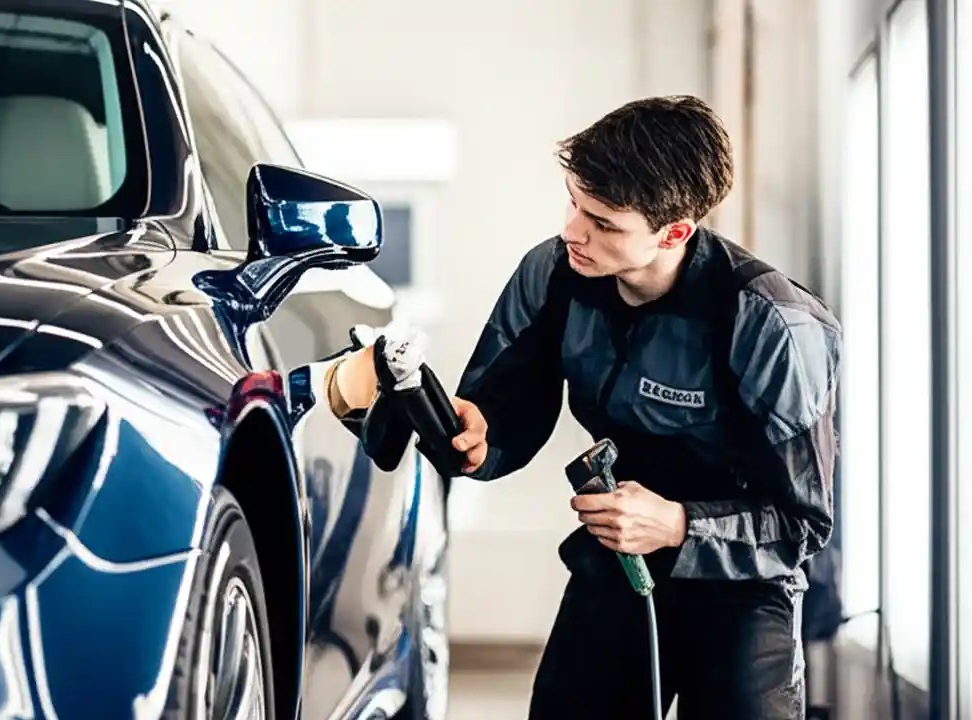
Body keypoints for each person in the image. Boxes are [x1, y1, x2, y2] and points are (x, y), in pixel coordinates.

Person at [327, 95, 841, 719]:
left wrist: (677, 524)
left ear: (674, 231)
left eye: (603, 221)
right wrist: (481, 436)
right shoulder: (554, 273)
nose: (574, 230)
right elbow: (503, 403)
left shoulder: (772, 326)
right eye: (574, 202)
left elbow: (802, 524)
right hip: (618, 558)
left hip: (743, 583)